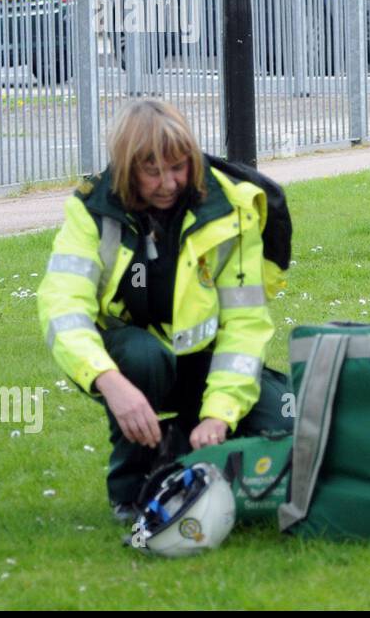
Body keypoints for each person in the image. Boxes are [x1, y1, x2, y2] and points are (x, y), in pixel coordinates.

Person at [37, 99, 291, 523]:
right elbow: (62, 308)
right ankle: (132, 491)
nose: (169, 183)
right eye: (151, 171)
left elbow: (245, 327)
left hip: (206, 363)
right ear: (125, 168)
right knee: (142, 357)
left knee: (287, 416)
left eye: (178, 167)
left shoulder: (231, 207)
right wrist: (109, 381)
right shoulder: (92, 212)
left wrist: (218, 413)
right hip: (134, 363)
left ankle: (187, 453)